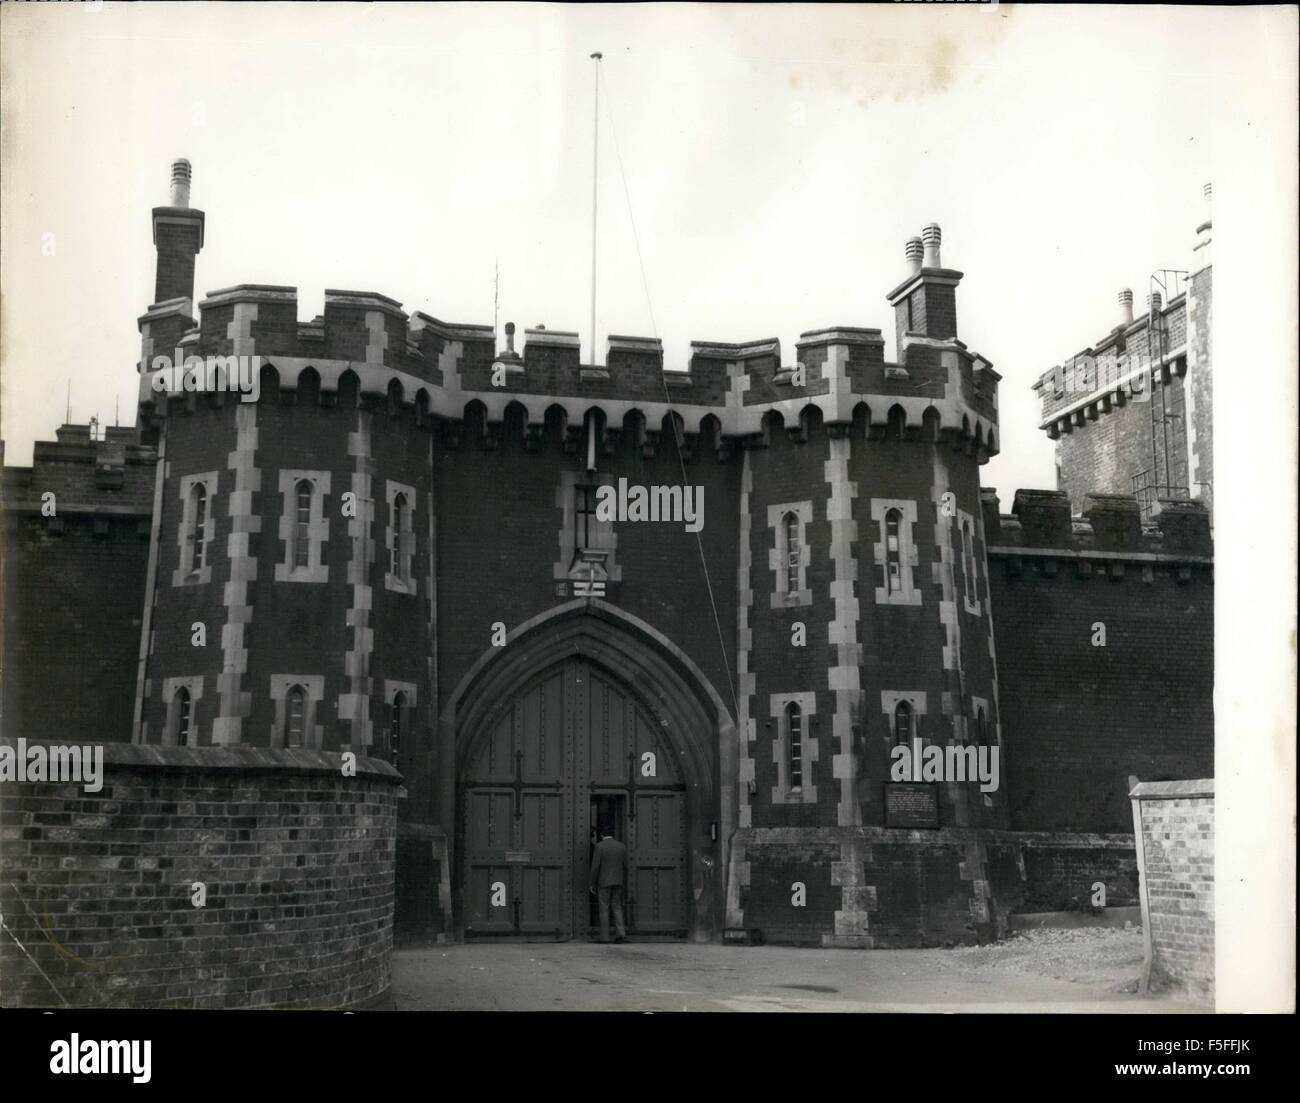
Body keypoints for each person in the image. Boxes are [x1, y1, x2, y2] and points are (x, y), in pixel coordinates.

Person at [588, 822, 628, 944]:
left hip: (604, 881)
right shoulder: (621, 846)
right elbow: (625, 865)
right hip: (618, 881)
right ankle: (621, 933)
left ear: (601, 834)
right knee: (617, 907)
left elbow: (595, 867)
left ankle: (604, 937)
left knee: (604, 908)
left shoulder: (599, 846)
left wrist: (592, 883)